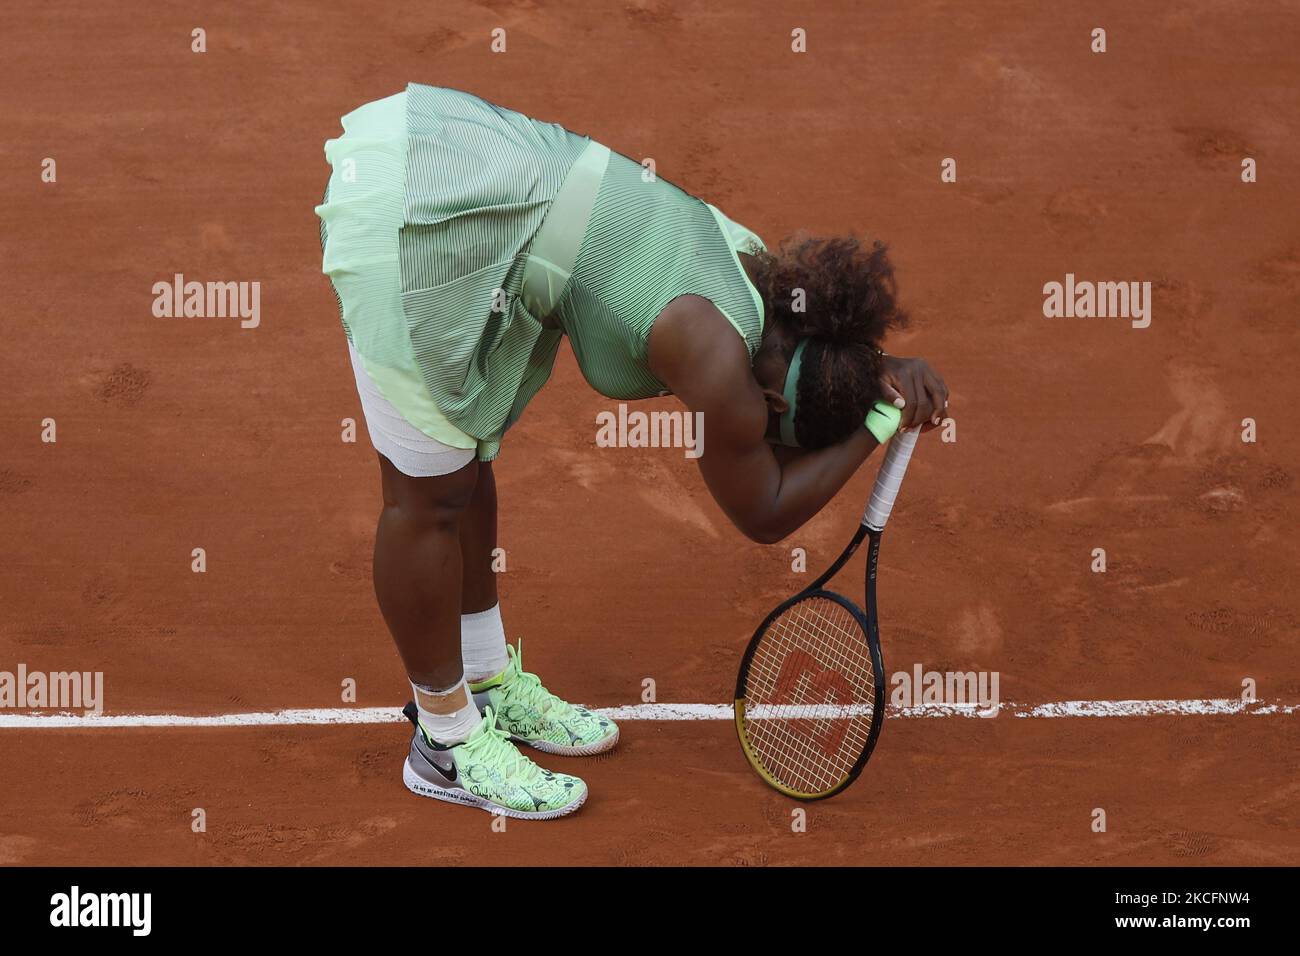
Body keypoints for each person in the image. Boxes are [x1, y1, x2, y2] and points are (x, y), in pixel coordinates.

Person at [315, 84, 949, 820]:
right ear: (772, 407)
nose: (760, 437)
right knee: (424, 497)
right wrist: (875, 423)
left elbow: (822, 375)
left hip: (468, 156)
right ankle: (444, 740)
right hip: (417, 217)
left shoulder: (765, 279)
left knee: (465, 464)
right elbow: (766, 510)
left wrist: (878, 374)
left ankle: (487, 682)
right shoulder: (720, 365)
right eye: (777, 434)